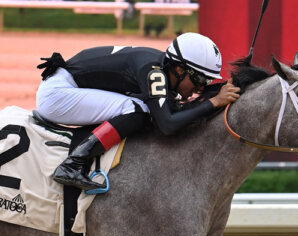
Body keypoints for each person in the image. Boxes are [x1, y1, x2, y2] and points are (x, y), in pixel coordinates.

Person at [36, 33, 241, 191]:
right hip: (58, 95)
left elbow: (173, 111)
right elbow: (167, 124)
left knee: (141, 108)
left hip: (68, 87)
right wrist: (214, 102)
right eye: (199, 80)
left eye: (207, 81)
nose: (200, 88)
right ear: (179, 70)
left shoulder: (161, 67)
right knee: (137, 110)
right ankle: (73, 163)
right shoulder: (153, 72)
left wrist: (221, 88)